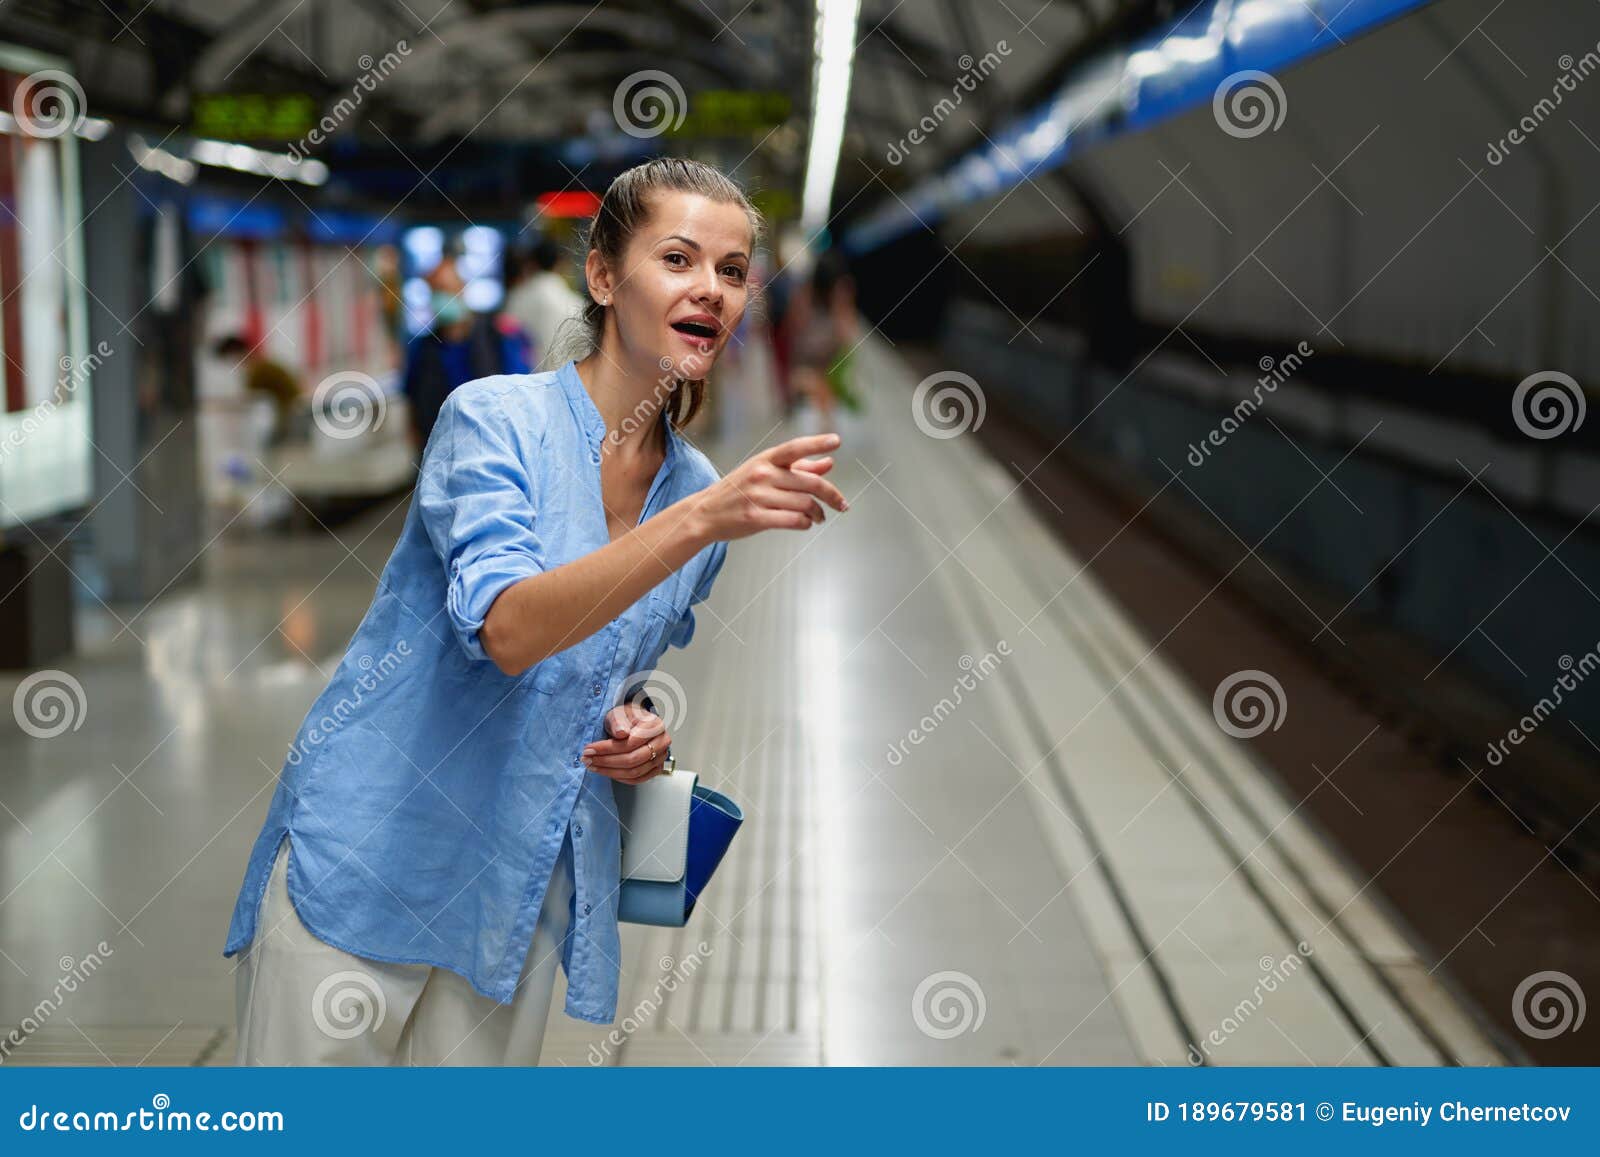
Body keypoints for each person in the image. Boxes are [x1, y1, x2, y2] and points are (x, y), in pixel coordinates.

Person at [223, 158, 849, 1066]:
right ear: (602, 276)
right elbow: (511, 629)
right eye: (678, 258)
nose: (710, 289)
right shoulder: (494, 422)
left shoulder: (695, 490)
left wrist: (641, 734)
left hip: (512, 888)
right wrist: (699, 520)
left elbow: (606, 670)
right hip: (373, 857)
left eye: (732, 269)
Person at [401, 254, 529, 450]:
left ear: (461, 290)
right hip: (441, 451)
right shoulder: (422, 348)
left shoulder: (497, 337)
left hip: (493, 447)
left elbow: (520, 392)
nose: (440, 298)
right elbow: (412, 401)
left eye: (445, 290)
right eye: (434, 292)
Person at [504, 236, 585, 369]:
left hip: (524, 383)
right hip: (566, 383)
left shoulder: (517, 298)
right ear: (561, 263)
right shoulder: (577, 303)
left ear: (532, 263)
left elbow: (508, 344)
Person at [214, 334, 301, 446]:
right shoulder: (261, 365)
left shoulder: (257, 371)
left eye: (228, 358)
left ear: (235, 352)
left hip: (289, 416)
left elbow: (246, 400)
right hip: (288, 414)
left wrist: (221, 406)